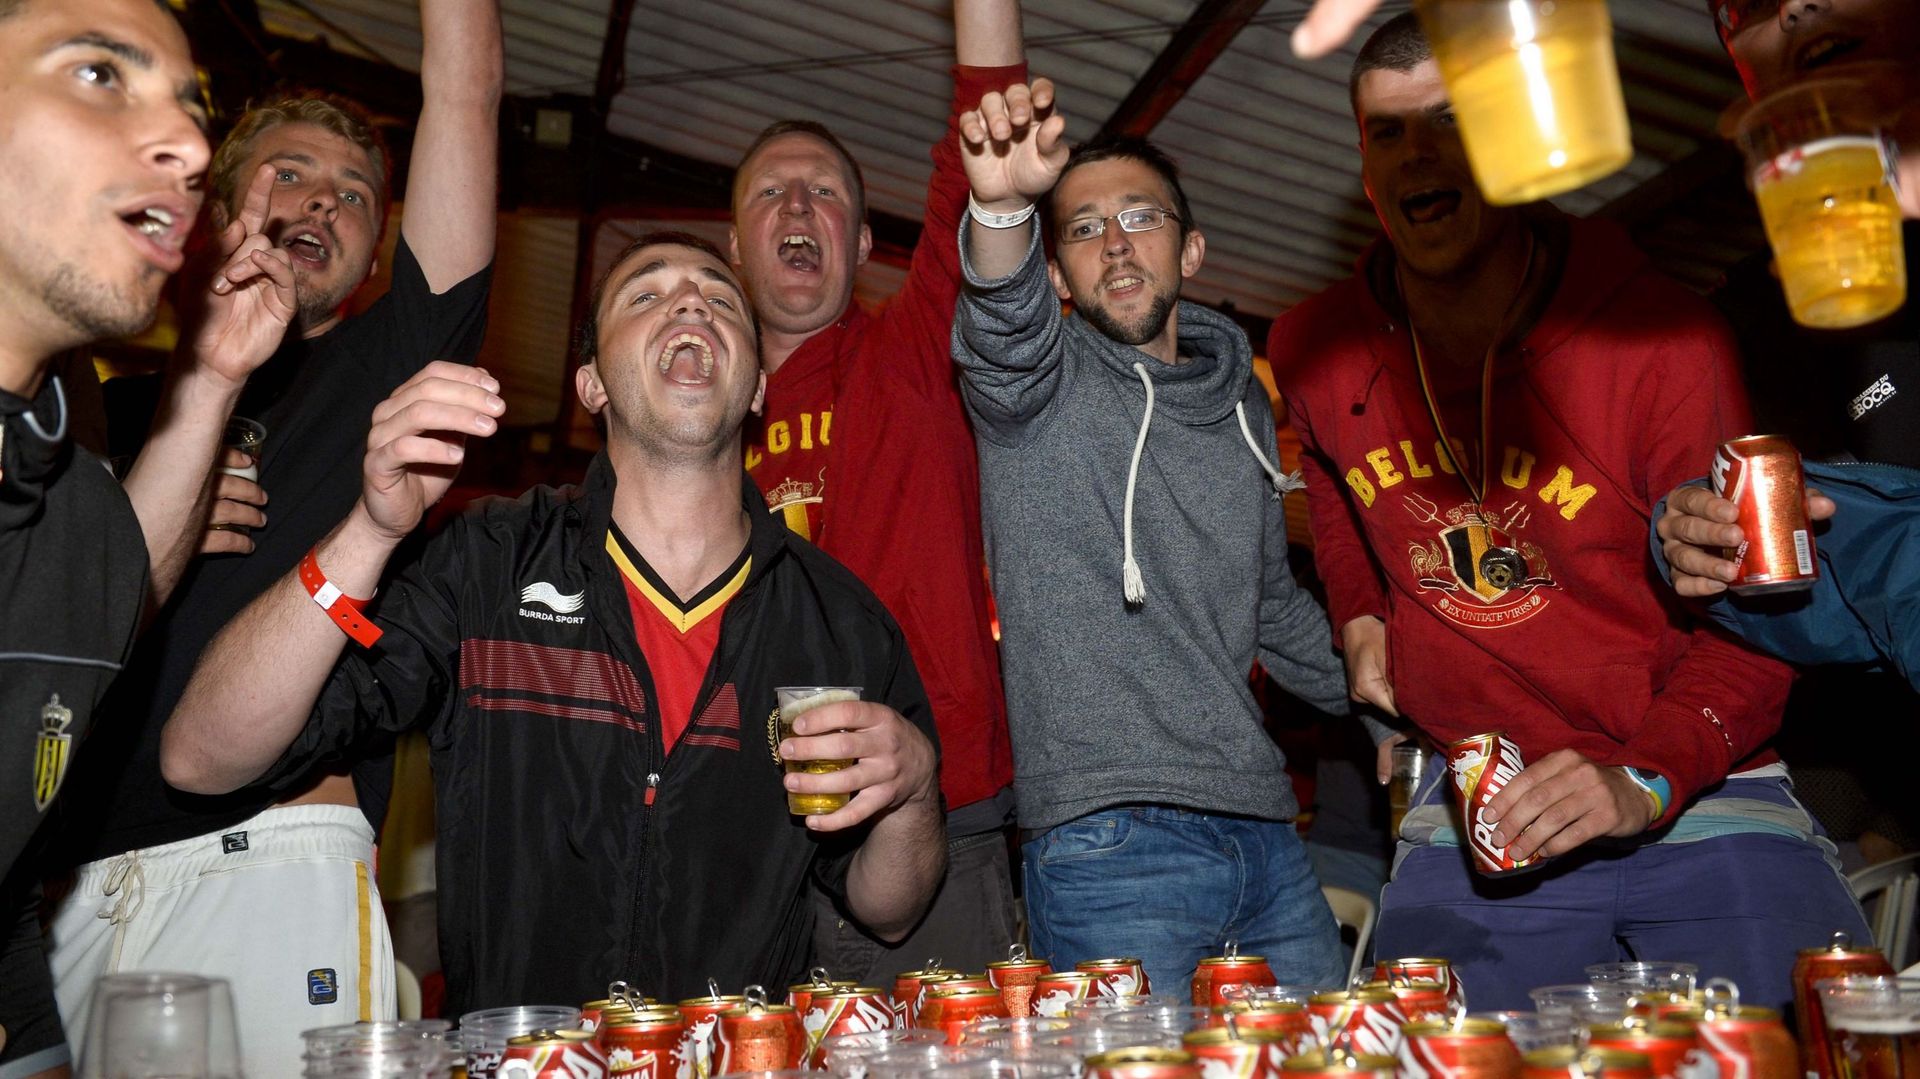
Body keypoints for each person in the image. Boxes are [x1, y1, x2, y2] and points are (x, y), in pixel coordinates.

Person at [160, 232, 947, 1013]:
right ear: (592, 384)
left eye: (719, 298)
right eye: (646, 293)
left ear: (755, 392)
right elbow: (202, 755)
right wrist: (371, 530)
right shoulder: (486, 565)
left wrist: (913, 791)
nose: (688, 302)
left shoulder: (839, 621)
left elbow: (890, 908)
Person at [1267, 13, 1869, 1014]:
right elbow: (1327, 474)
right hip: (1480, 799)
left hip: (1700, 785)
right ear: (1365, 169)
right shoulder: (1311, 346)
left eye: (1454, 121)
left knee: (1815, 1032)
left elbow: (1762, 623)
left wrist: (1643, 774)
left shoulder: (1660, 341)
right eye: (1389, 132)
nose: (1420, 155)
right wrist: (1357, 606)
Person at [43, 1, 502, 1070]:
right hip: (61, 878)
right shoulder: (109, 401)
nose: (324, 203)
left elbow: (467, 92)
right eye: (290, 174)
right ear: (208, 203)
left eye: (355, 197)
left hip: (258, 858)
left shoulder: (386, 361)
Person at [950, 85, 1352, 990]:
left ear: (1192, 248)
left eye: (1140, 216)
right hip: (1106, 838)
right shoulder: (1038, 391)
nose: (1116, 242)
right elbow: (1002, 333)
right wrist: (1003, 208)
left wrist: (1412, 692)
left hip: (1266, 827)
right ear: (1057, 275)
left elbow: (1275, 612)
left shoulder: (1245, 402)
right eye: (1084, 229)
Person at [0, 0, 301, 1072]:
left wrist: (214, 374)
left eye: (192, 106)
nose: (188, 146)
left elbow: (107, 607)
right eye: (97, 75)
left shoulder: (53, 468)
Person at [734, 0, 1025, 980]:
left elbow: (981, 152)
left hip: (940, 813)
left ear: (862, 246)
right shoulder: (687, 422)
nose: (799, 207)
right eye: (771, 193)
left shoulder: (911, 356)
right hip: (742, 843)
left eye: (825, 193)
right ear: (735, 248)